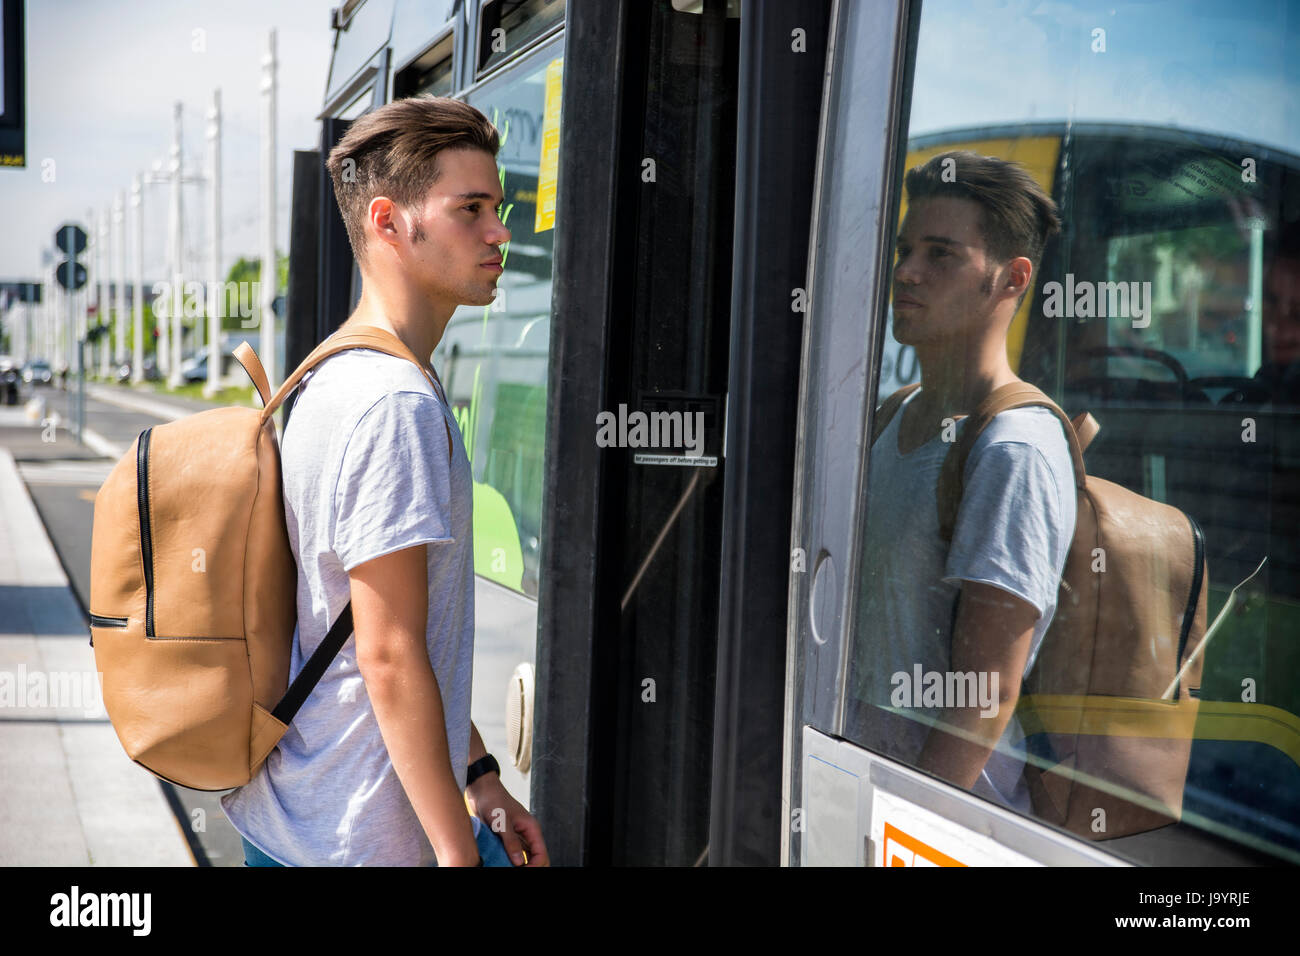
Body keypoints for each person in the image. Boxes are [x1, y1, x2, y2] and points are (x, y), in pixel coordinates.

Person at [221, 96, 548, 866]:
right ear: (388, 220)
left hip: (301, 820)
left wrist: (480, 776)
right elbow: (390, 651)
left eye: (496, 206)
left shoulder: (331, 371)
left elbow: (385, 624)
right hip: (359, 842)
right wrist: (456, 851)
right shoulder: (394, 403)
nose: (500, 232)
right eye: (471, 209)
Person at [849, 151, 1076, 812]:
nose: (907, 273)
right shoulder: (891, 416)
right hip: (848, 789)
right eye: (905, 249)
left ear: (1012, 278)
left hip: (934, 829)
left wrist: (909, 824)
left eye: (942, 255)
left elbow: (986, 699)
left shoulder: (1015, 448)